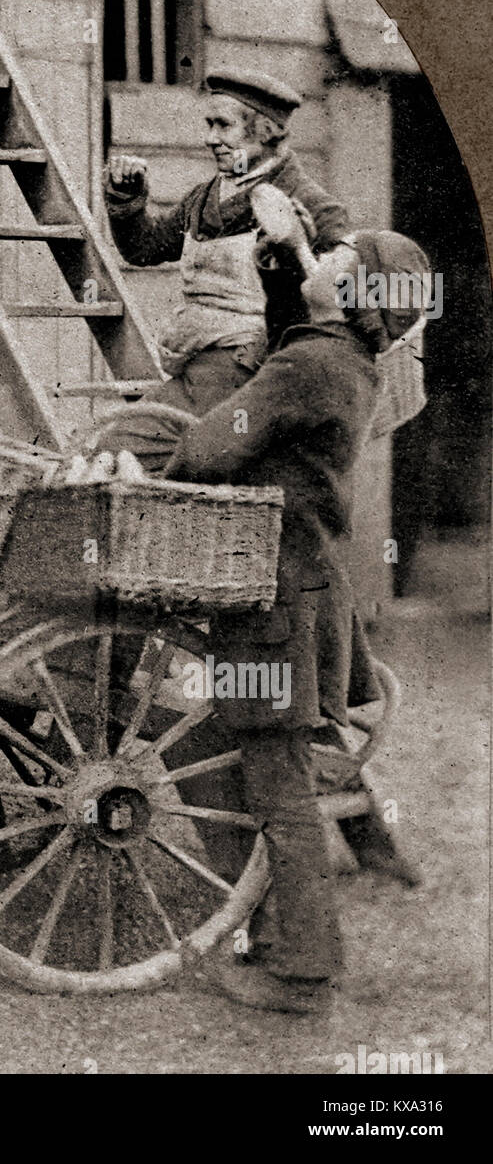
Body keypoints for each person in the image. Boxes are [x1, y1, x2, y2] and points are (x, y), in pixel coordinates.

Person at [160, 228, 431, 1013]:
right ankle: (262, 933)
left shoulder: (306, 366)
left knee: (279, 788)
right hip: (301, 599)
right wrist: (281, 266)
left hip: (270, 609)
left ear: (353, 294)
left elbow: (211, 448)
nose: (327, 257)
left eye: (340, 257)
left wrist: (170, 459)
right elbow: (292, 329)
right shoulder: (341, 362)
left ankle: (304, 971)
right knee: (221, 752)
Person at [104, 68, 350, 414]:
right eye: (210, 125)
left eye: (223, 125)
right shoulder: (203, 198)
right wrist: (127, 202)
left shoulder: (314, 205)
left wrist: (296, 246)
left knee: (129, 443)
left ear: (264, 130)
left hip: (254, 381)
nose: (210, 138)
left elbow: (341, 305)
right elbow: (144, 249)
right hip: (191, 364)